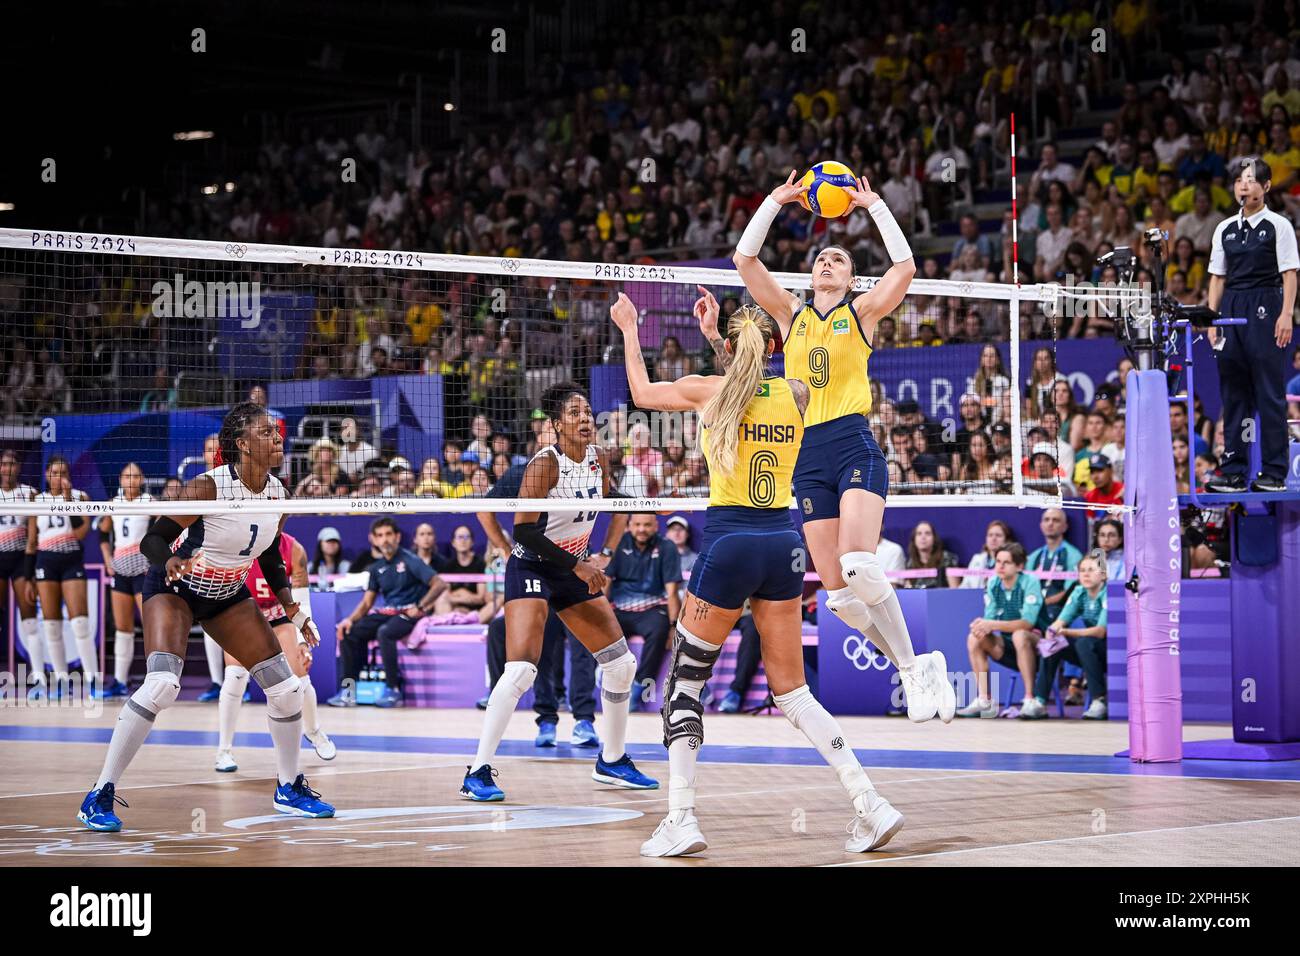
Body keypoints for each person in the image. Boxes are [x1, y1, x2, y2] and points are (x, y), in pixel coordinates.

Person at [613, 288, 906, 857]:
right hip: (784, 545)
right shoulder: (796, 393)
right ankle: (870, 803)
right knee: (793, 692)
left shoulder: (710, 392)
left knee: (685, 685)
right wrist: (722, 336)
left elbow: (642, 392)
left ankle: (682, 819)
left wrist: (630, 328)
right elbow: (755, 374)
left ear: (735, 346)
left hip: (729, 543)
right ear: (777, 344)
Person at [728, 168, 951, 723]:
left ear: (851, 280)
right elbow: (745, 261)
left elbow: (905, 268)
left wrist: (875, 207)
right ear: (810, 275)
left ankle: (913, 670)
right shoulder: (792, 315)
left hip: (852, 443)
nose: (827, 263)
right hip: (804, 458)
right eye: (820, 259)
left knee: (858, 566)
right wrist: (776, 199)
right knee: (840, 598)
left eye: (839, 261)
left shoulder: (863, 314)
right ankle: (915, 665)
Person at [78, 401, 334, 831]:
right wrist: (172, 563)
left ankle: (289, 787)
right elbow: (154, 540)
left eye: (277, 432)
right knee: (162, 685)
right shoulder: (207, 487)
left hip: (227, 595)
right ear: (241, 444)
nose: (278, 438)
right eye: (266, 432)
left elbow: (270, 554)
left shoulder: (279, 493)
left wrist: (292, 608)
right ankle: (99, 792)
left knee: (287, 689)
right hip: (174, 588)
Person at [460, 380, 658, 802]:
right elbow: (525, 533)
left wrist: (643, 513)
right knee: (522, 670)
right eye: (574, 413)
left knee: (621, 664)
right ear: (556, 424)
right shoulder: (543, 465)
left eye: (588, 412)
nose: (585, 419)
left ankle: (613, 760)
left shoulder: (597, 459)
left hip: (573, 567)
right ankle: (477, 771)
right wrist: (580, 565)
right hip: (533, 565)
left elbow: (614, 501)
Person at [1206, 159, 1298, 493]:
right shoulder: (1225, 228)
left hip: (1265, 305)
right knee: (1235, 395)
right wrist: (1211, 318)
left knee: (1269, 393)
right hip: (1231, 306)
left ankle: (1274, 471)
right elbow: (1217, 277)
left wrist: (1286, 314)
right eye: (1239, 181)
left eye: (1251, 180)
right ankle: (1234, 469)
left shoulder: (1278, 225)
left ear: (1267, 186)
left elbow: (1289, 274)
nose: (1244, 186)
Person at [214, 531, 335, 770]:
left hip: (279, 616)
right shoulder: (237, 540)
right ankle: (223, 751)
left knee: (300, 678)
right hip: (243, 614)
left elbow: (301, 600)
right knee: (235, 676)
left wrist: (302, 640)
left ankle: (313, 731)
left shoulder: (294, 548)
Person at [330, 517, 448, 708]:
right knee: (349, 632)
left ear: (398, 537)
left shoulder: (411, 560)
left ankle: (393, 690)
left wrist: (420, 607)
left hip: (409, 613)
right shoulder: (376, 568)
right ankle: (349, 692)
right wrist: (349, 620)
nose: (384, 540)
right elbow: (367, 602)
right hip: (388, 612)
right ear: (373, 540)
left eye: (388, 534)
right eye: (380, 536)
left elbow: (439, 584)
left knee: (385, 633)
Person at [25, 456, 93, 699]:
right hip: (46, 562)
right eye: (54, 472)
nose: (59, 476)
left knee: (80, 623)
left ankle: (92, 681)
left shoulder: (80, 497)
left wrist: (67, 501)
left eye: (63, 472)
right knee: (51, 625)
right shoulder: (37, 500)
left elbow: (81, 532)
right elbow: (32, 541)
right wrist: (28, 574)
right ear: (46, 475)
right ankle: (62, 681)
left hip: (71, 559)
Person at [955, 542, 1045, 718]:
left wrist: (991, 625)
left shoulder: (1030, 582)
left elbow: (1028, 623)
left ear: (1019, 566)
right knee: (974, 638)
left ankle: (1030, 699)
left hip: (1038, 648)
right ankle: (984, 700)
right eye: (998, 561)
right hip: (1008, 647)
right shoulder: (994, 582)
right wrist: (980, 626)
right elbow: (990, 618)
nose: (1000, 566)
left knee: (1020, 635)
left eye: (1007, 562)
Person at [604, 513, 682, 710]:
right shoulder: (618, 544)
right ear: (629, 526)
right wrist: (600, 616)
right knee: (596, 633)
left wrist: (674, 626)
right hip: (620, 608)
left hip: (653, 608)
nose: (641, 529)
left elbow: (672, 591)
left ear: (656, 526)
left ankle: (640, 686)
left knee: (659, 630)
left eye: (647, 525)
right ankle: (605, 683)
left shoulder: (667, 547)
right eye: (637, 524)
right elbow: (605, 584)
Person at [1025, 551, 1110, 721]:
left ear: (1103, 575)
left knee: (1083, 643)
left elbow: (1101, 631)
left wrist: (1068, 632)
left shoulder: (1108, 592)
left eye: (1091, 570)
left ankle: (1099, 700)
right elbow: (1060, 621)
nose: (1085, 574)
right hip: (1088, 653)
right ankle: (1039, 701)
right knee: (1053, 643)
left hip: (1111, 652)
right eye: (1082, 570)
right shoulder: (1079, 592)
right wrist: (1051, 633)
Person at [96, 463, 154, 699]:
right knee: (123, 628)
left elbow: (165, 531)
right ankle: (119, 681)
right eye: (127, 476)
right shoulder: (114, 503)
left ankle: (154, 681)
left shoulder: (149, 502)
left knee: (150, 626)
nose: (131, 480)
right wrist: (108, 559)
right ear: (120, 479)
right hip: (120, 570)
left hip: (142, 569)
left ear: (142, 480)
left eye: (135, 476)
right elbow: (102, 533)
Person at [0, 451, 41, 698]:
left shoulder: (29, 493)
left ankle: (38, 679)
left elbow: (33, 536)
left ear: (19, 467)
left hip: (20, 561)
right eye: (4, 463)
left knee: (29, 618)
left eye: (12, 463)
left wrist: (28, 573)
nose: (8, 467)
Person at [1027, 508, 1083, 634]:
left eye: (1056, 520)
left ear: (1064, 527)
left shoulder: (1074, 555)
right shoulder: (1034, 556)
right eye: (1046, 520)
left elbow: (1070, 591)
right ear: (1041, 525)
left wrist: (1044, 603)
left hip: (1057, 609)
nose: (1050, 523)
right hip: (1033, 606)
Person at [434, 525, 488, 614]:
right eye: (459, 537)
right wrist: (465, 595)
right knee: (441, 602)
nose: (463, 541)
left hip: (475, 612)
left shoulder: (480, 564)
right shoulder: (448, 565)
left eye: (467, 537)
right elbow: (445, 596)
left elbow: (481, 599)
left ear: (472, 542)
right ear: (453, 543)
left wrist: (458, 594)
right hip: (453, 610)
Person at [961, 519, 1016, 589]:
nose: (993, 538)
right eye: (990, 535)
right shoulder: (977, 559)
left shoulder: (1012, 561)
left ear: (1007, 540)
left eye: (998, 535)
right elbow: (965, 585)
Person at [902, 520, 959, 588]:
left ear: (934, 538)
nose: (923, 537)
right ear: (914, 539)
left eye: (927, 533)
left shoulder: (948, 559)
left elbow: (954, 589)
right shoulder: (909, 563)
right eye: (919, 534)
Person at [1093, 518, 1126, 582]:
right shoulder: (1091, 558)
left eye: (1112, 535)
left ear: (1120, 539)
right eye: (1102, 535)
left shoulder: (1127, 561)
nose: (1106, 539)